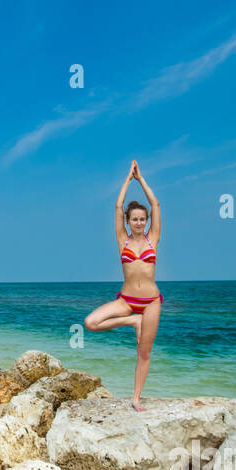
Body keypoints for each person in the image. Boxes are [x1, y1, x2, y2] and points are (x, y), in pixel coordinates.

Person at [83, 160, 162, 410]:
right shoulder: (122, 240)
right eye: (134, 219)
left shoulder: (153, 239)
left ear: (146, 221)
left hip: (150, 302)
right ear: (128, 221)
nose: (139, 223)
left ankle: (136, 398)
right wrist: (128, 179)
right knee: (91, 323)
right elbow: (118, 205)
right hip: (126, 301)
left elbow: (155, 204)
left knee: (144, 352)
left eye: (142, 219)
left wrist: (142, 180)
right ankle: (132, 322)